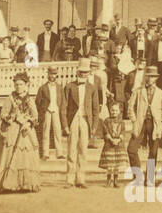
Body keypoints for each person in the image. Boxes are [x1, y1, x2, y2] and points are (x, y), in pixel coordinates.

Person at [0, 73, 41, 193]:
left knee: (25, 158)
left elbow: (36, 117)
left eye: (21, 84)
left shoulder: (30, 99)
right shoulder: (10, 98)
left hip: (25, 132)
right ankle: (9, 184)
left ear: (26, 85)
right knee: (9, 156)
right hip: (12, 131)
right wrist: (14, 117)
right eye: (16, 84)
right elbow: (3, 114)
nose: (18, 87)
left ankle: (25, 184)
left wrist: (28, 123)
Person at [63, 60, 99, 188]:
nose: (83, 74)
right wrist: (65, 125)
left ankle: (80, 179)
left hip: (85, 121)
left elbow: (96, 109)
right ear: (77, 72)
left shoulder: (92, 88)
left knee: (83, 150)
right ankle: (69, 179)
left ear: (89, 73)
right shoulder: (69, 86)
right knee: (71, 150)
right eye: (81, 72)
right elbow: (64, 108)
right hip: (73, 120)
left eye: (86, 72)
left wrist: (94, 126)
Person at [126, 66, 162, 171]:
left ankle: (150, 177)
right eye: (148, 76)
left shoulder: (160, 93)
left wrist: (161, 123)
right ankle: (138, 175)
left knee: (153, 151)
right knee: (131, 149)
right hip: (140, 123)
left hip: (154, 124)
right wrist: (134, 120)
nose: (150, 79)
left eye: (152, 77)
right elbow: (130, 107)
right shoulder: (138, 91)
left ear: (156, 78)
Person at [35, 66, 65, 161]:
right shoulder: (42, 88)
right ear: (48, 74)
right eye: (51, 74)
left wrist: (61, 111)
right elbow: (37, 102)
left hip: (56, 110)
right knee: (45, 132)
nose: (53, 76)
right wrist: (41, 113)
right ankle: (45, 153)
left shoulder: (60, 87)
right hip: (46, 111)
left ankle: (59, 153)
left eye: (54, 74)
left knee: (57, 131)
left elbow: (63, 101)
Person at [99, 102, 127, 187]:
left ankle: (115, 180)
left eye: (116, 110)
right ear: (110, 110)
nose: (114, 112)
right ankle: (108, 180)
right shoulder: (107, 121)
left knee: (116, 164)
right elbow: (105, 131)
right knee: (109, 164)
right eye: (112, 110)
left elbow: (123, 132)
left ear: (119, 111)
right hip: (109, 144)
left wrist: (118, 140)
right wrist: (111, 139)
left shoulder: (122, 122)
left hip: (118, 144)